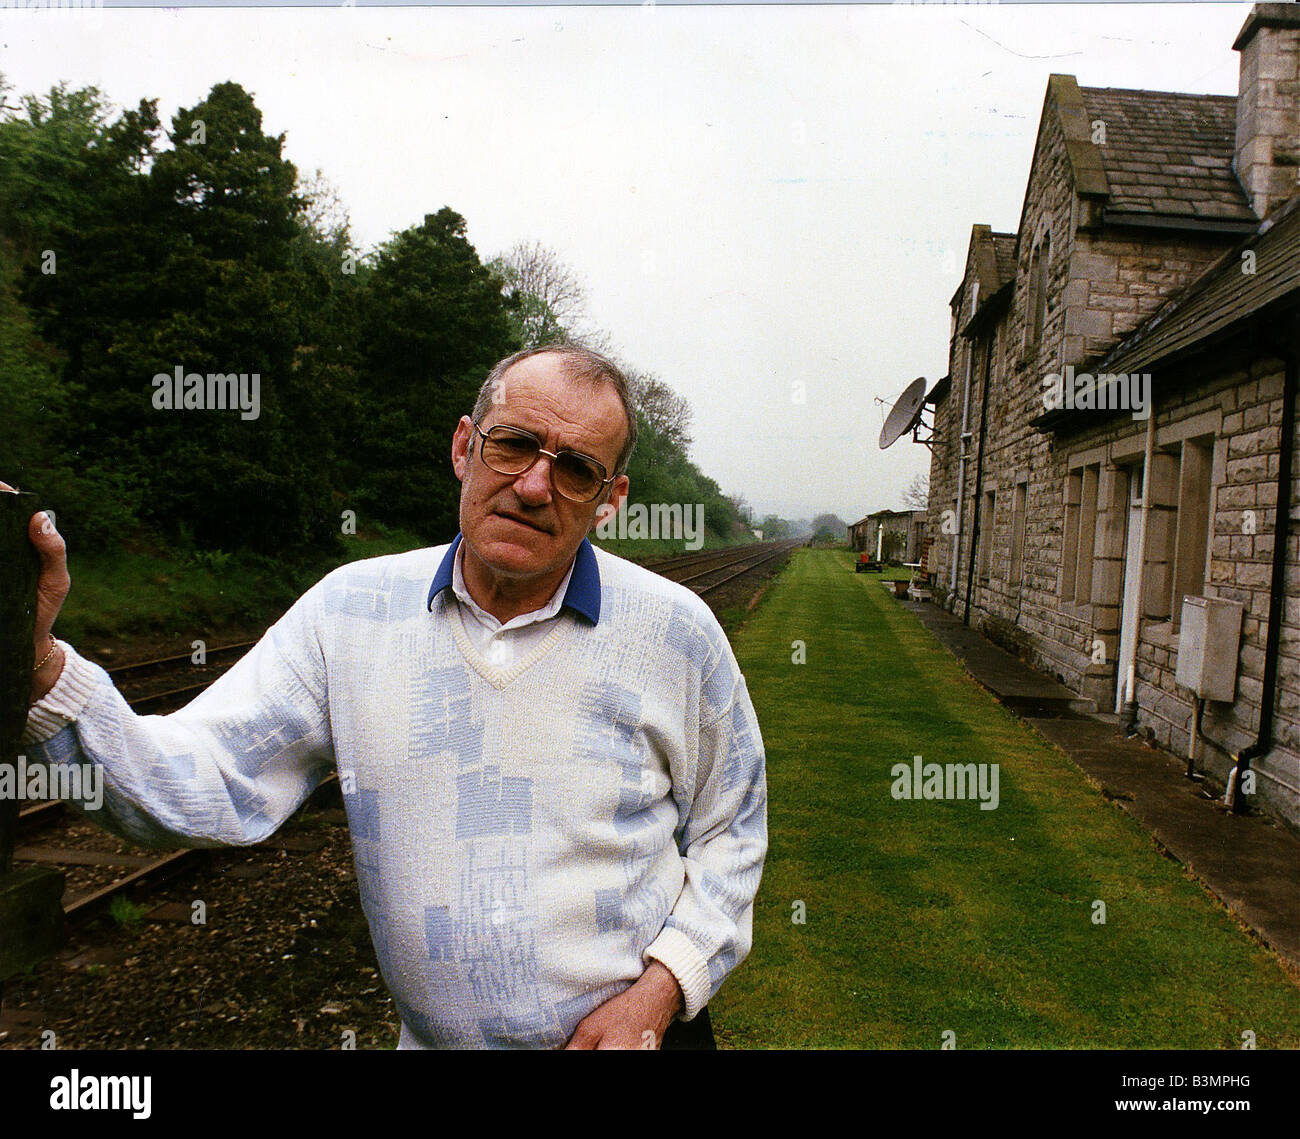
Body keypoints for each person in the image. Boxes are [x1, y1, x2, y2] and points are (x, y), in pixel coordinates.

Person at [10, 344, 768, 1049]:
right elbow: (202, 777)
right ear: (464, 446)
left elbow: (733, 830)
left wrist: (661, 991)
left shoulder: (676, 633)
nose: (535, 486)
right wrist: (41, 661)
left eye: (575, 468)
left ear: (611, 499)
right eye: (512, 445)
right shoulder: (349, 612)